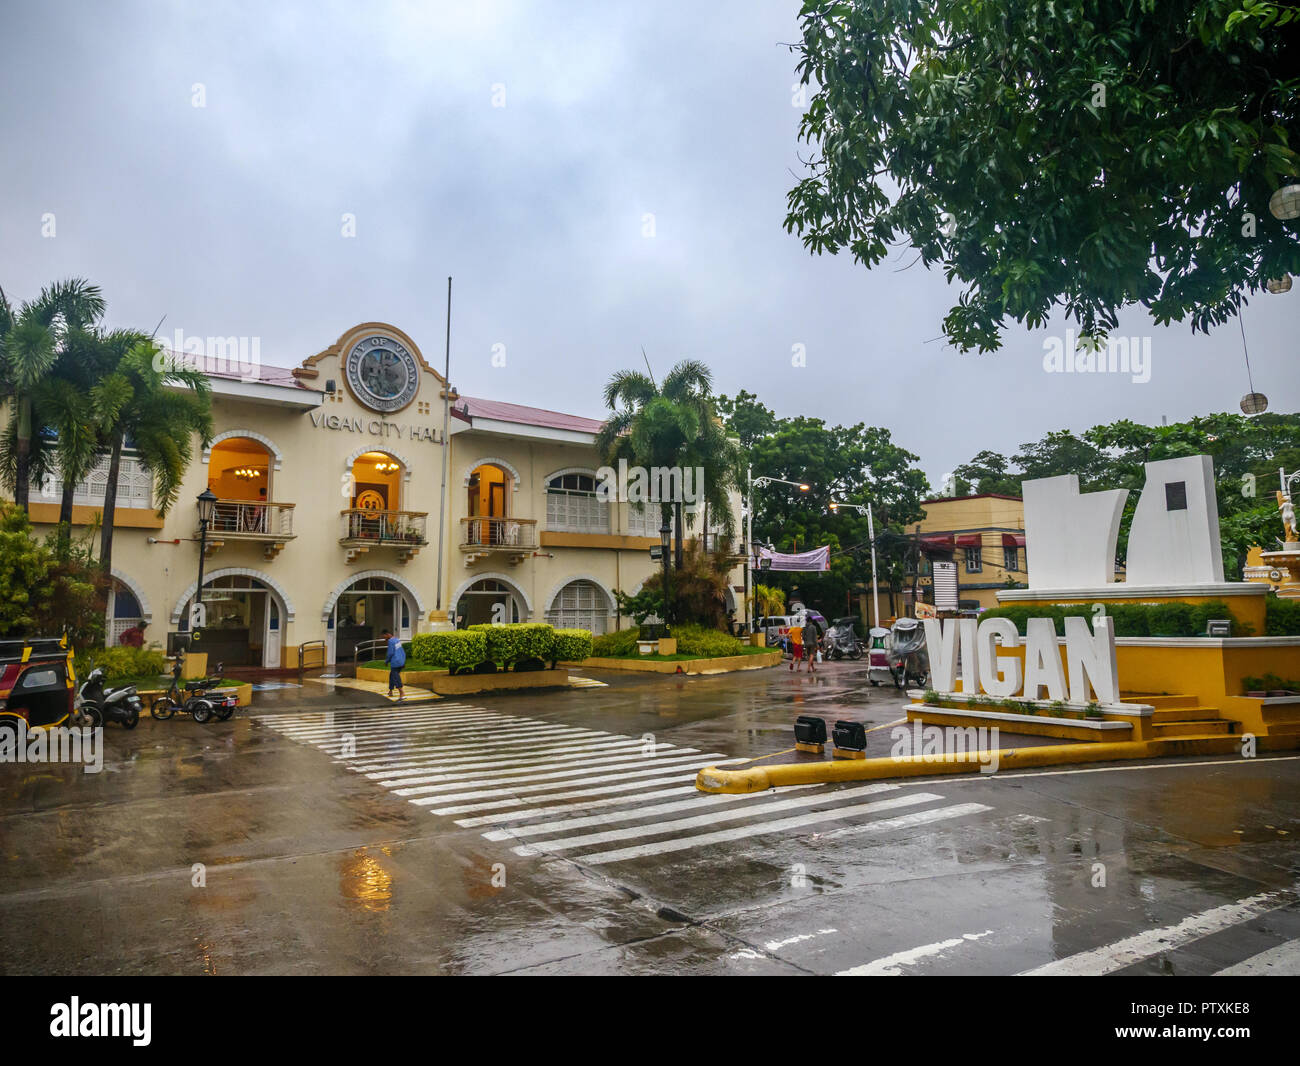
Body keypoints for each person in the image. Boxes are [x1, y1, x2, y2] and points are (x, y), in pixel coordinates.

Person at [383, 628, 406, 700]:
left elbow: (390, 653)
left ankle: (402, 693)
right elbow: (401, 651)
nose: (384, 638)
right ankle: (390, 691)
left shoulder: (390, 641)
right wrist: (403, 661)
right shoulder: (397, 639)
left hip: (395, 662)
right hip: (401, 661)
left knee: (396, 677)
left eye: (384, 636)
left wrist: (386, 661)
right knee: (392, 675)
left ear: (387, 634)